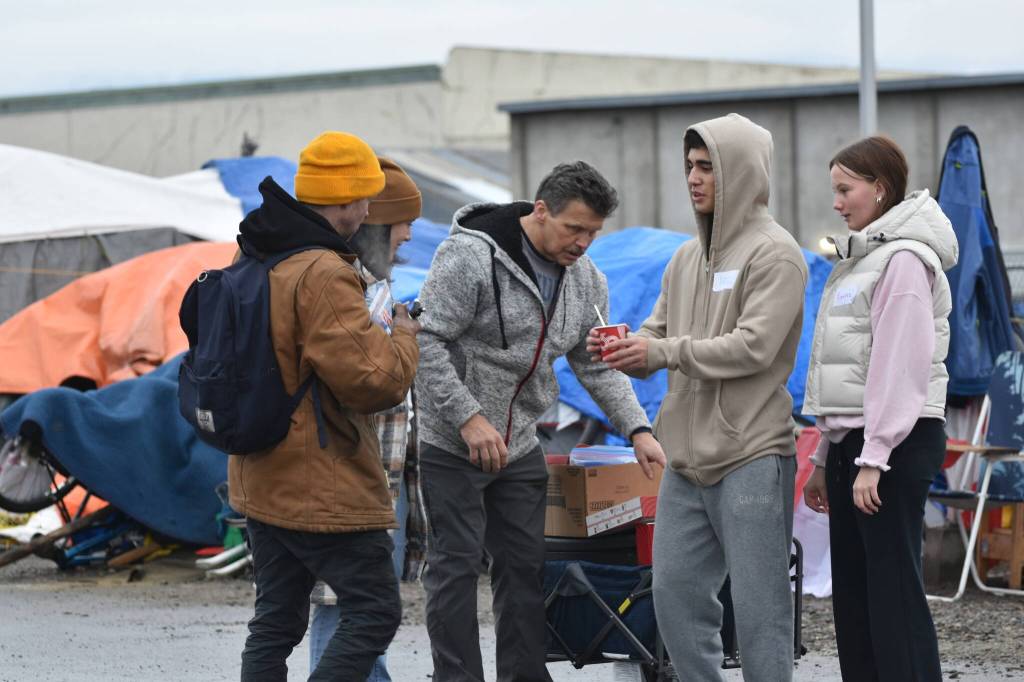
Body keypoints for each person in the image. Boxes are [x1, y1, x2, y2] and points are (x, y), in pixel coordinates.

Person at [416, 160, 666, 681]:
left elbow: (595, 365)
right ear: (541, 210)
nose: (583, 242)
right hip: (451, 442)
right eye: (574, 228)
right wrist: (468, 418)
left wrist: (639, 430)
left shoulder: (587, 280)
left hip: (520, 443)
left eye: (594, 233)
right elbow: (425, 341)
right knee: (456, 570)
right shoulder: (469, 258)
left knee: (527, 570)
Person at [596, 113, 807, 681]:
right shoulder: (687, 256)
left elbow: (754, 348)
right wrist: (625, 345)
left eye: (707, 166)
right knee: (674, 596)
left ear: (740, 171)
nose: (693, 177)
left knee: (761, 611)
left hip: (752, 455)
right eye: (689, 165)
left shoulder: (776, 253)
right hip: (684, 461)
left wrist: (661, 354)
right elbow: (658, 331)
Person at [229, 132, 420, 682]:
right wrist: (405, 334)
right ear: (346, 200)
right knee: (375, 609)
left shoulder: (254, 249)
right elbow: (377, 382)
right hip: (319, 479)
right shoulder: (323, 271)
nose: (369, 211)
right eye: (366, 198)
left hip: (258, 472)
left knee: (275, 621)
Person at [802, 135, 957, 682]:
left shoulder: (906, 263)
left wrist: (875, 457)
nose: (838, 202)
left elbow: (900, 366)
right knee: (855, 590)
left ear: (880, 188)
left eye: (846, 190)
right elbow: (850, 377)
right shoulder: (860, 260)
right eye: (836, 191)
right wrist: (826, 455)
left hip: (896, 440)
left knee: (891, 590)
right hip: (860, 443)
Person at [308, 157, 426, 681]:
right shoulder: (351, 292)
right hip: (354, 480)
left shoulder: (372, 288)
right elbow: (367, 386)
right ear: (373, 221)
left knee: (358, 611)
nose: (407, 235)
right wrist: (404, 340)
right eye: (401, 223)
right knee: (352, 612)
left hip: (375, 479)